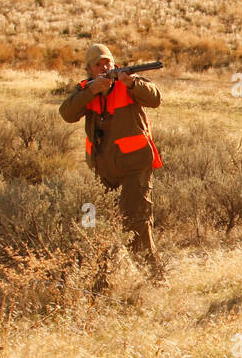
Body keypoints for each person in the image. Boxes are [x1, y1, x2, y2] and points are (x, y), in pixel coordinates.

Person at [60, 43, 165, 278]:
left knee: (136, 220)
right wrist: (91, 92)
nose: (104, 67)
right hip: (103, 169)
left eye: (107, 62)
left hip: (135, 165)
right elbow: (66, 114)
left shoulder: (128, 82)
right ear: (89, 68)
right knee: (97, 223)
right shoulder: (87, 89)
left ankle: (154, 278)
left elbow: (155, 99)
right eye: (98, 64)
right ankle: (103, 279)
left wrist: (134, 83)